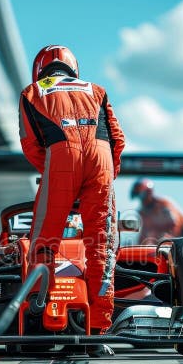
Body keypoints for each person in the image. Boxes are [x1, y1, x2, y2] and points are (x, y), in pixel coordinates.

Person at [19, 44, 125, 330]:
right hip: (102, 159)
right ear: (74, 69)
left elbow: (30, 145)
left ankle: (37, 314)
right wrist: (105, 178)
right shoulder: (98, 90)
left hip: (62, 157)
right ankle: (100, 327)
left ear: (40, 70)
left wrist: (57, 173)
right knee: (102, 247)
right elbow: (118, 139)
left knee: (43, 240)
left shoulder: (32, 91)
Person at [131, 178, 183, 245]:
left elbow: (176, 225)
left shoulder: (164, 203)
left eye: (142, 196)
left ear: (149, 192)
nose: (142, 201)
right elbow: (143, 235)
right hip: (168, 245)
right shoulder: (143, 212)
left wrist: (169, 241)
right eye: (138, 197)